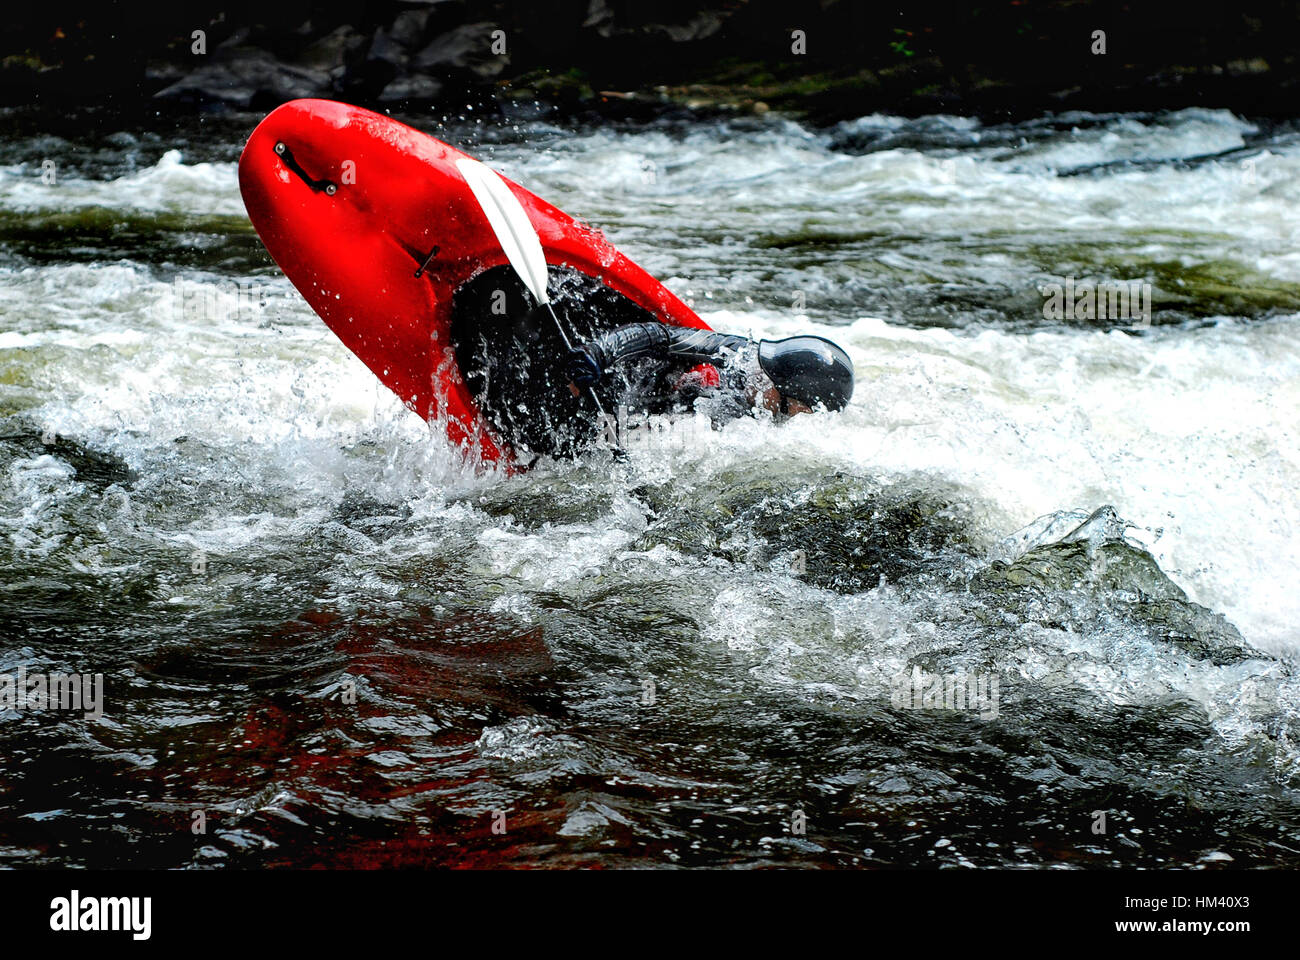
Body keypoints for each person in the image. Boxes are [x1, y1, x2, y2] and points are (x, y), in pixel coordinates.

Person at [563, 321, 855, 424]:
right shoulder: (730, 353)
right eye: (781, 409)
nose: (759, 380)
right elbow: (659, 336)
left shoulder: (769, 431)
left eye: (784, 413)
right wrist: (599, 353)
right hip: (601, 388)